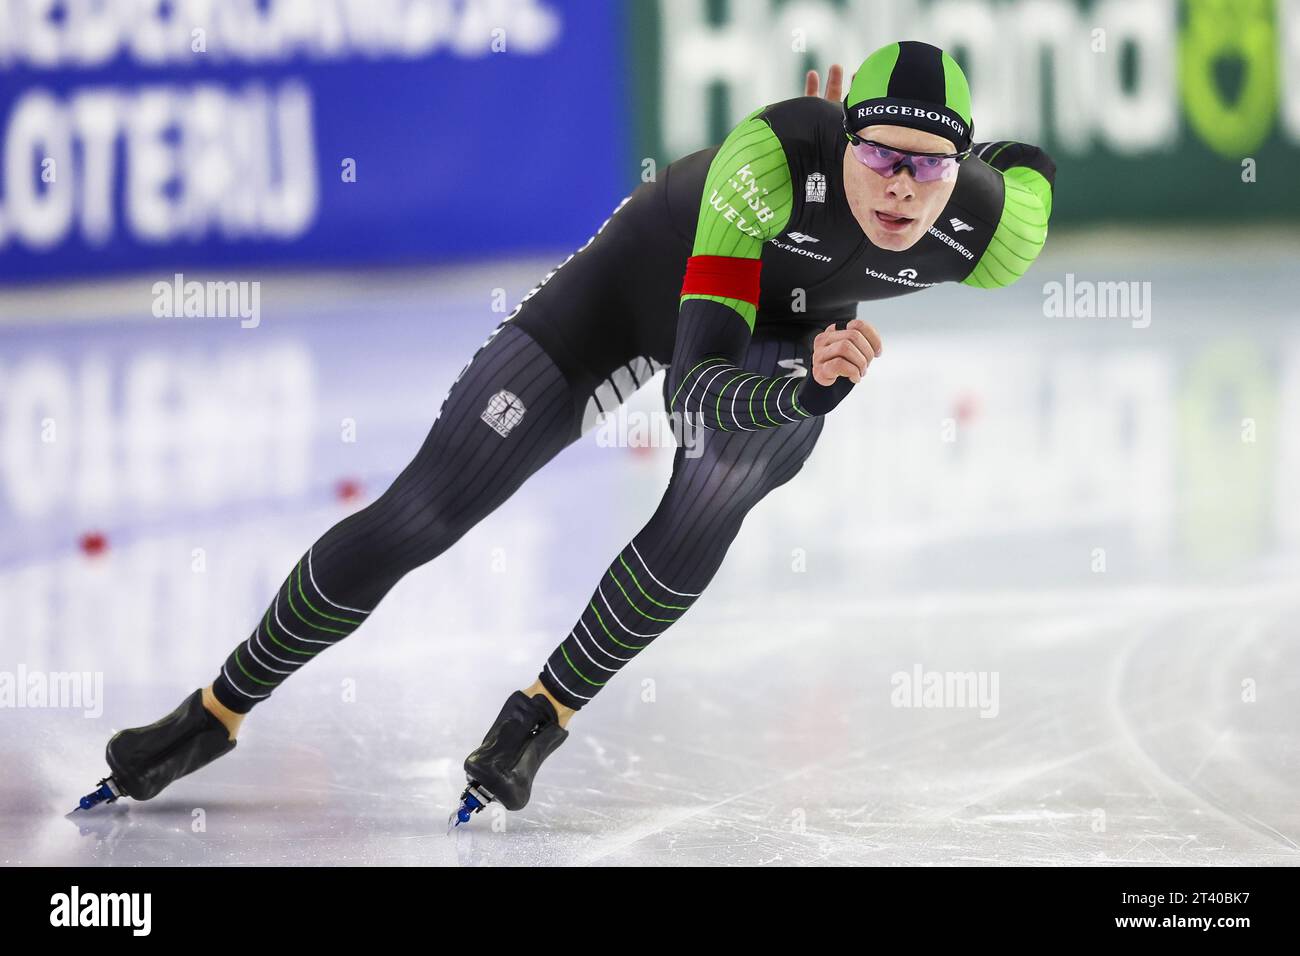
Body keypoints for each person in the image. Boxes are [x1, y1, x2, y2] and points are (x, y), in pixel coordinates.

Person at [81, 41, 1056, 821]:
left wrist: (807, 389)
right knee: (422, 513)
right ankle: (217, 706)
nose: (899, 187)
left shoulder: (989, 232)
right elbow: (695, 386)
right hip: (635, 299)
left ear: (958, 169)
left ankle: (540, 713)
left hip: (788, 338)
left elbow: (1028, 168)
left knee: (710, 502)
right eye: (877, 154)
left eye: (926, 166)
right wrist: (803, 390)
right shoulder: (767, 164)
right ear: (840, 140)